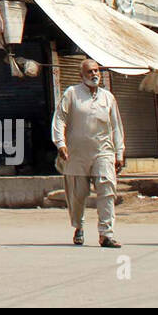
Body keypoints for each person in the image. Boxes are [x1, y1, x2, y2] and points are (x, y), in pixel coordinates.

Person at [51, 58, 125, 248]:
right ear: (81, 75)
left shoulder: (108, 97)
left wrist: (119, 152)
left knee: (107, 190)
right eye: (90, 72)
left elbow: (116, 126)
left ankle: (106, 234)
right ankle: (79, 226)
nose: (94, 74)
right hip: (76, 154)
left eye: (96, 71)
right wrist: (61, 144)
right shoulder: (72, 94)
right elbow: (60, 119)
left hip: (103, 152)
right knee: (77, 195)